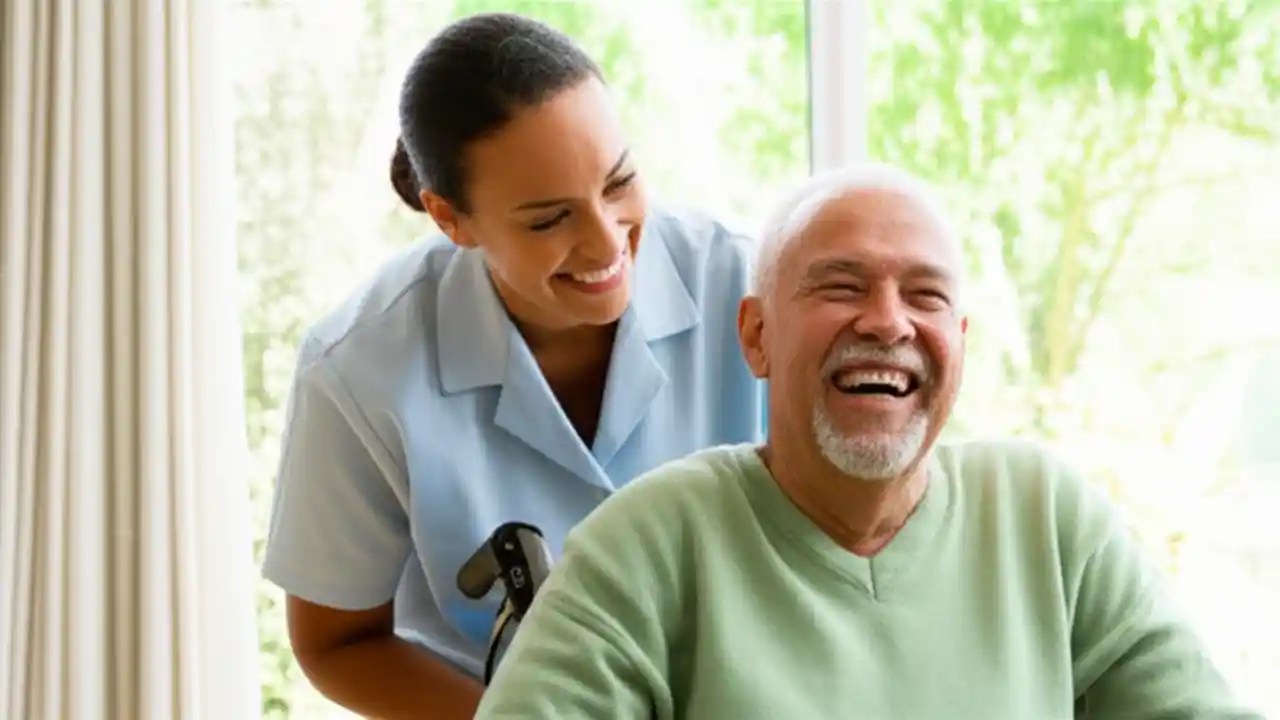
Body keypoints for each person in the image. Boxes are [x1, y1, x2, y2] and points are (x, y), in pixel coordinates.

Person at [474, 163, 1261, 719]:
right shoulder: (645, 546)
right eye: (842, 287)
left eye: (925, 295)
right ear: (757, 335)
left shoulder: (1043, 516)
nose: (888, 323)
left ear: (959, 341)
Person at [260, 12, 765, 719]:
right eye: (548, 219)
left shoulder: (752, 285)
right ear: (450, 219)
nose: (604, 242)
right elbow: (337, 643)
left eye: (618, 182)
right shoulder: (357, 370)